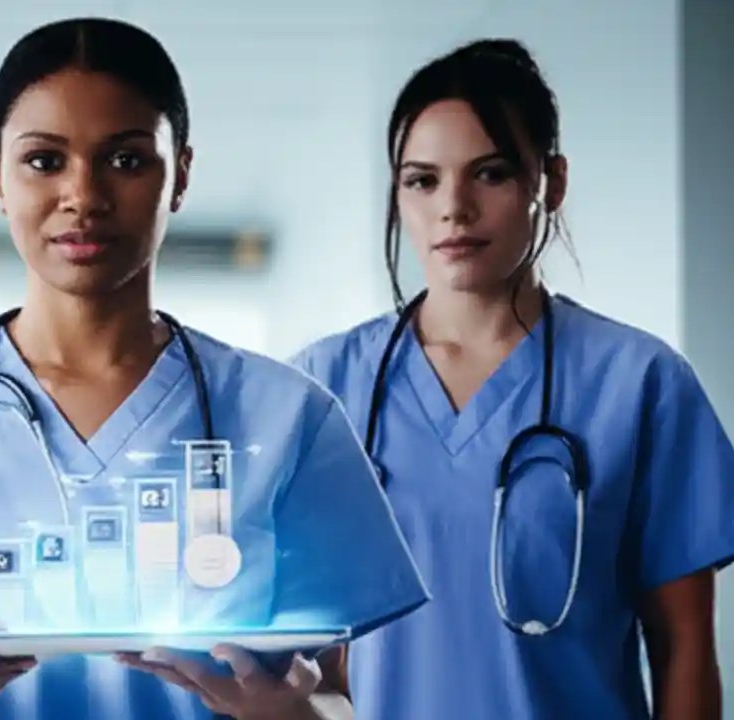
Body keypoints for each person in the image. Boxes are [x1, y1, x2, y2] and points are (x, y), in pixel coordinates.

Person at [0, 16, 426, 720]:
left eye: (126, 160)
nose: (84, 196)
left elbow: (337, 702)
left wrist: (275, 709)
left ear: (181, 174)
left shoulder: (290, 418)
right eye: (44, 161)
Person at [291, 38, 734, 720]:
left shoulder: (640, 384)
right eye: (422, 180)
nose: (454, 207)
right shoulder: (325, 388)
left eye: (491, 174)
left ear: (550, 182)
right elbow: (309, 660)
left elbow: (683, 647)